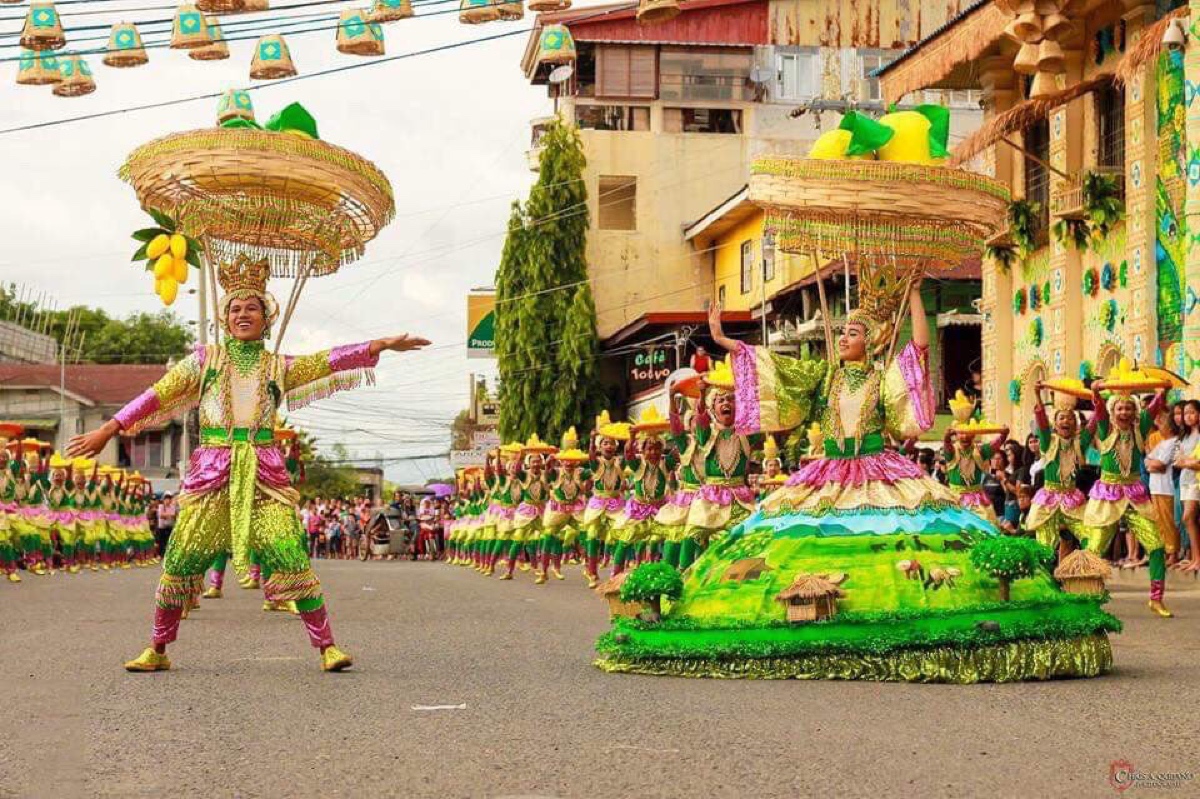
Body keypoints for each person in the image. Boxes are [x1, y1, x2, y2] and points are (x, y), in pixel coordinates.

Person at [69, 256, 429, 673]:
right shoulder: (205, 361)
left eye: (252, 308)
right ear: (225, 318)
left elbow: (328, 360)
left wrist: (378, 345)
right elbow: (156, 395)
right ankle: (158, 649)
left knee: (289, 552)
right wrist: (109, 428)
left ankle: (327, 646)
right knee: (183, 557)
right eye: (235, 309)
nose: (243, 314)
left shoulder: (279, 366)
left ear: (266, 317)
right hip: (212, 472)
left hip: (265, 474)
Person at [1081, 381, 1170, 616]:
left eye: (1129, 408)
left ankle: (1156, 599)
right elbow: (1098, 408)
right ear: (1112, 412)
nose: (1124, 412)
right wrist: (1096, 392)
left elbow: (1153, 407)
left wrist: (1163, 391)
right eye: (1120, 408)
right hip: (1108, 493)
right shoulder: (1104, 429)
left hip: (1134, 493)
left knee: (1157, 545)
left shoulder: (1140, 430)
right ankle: (1088, 600)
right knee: (1095, 548)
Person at [1145, 408, 1181, 568]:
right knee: (1159, 521)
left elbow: (1159, 465)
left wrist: (1153, 465)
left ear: (1170, 427)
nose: (1159, 426)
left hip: (1167, 488)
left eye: (1162, 423)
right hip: (1156, 488)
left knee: (1169, 521)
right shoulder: (1162, 443)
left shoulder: (1174, 443)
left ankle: (1173, 553)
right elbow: (1148, 462)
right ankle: (1166, 552)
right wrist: (1153, 465)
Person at [1172, 400, 1200, 573]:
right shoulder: (1185, 436)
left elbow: (1197, 462)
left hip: (1196, 481)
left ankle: (1197, 558)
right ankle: (1195, 559)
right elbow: (1177, 461)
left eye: (1192, 412)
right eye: (1185, 413)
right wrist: (1187, 462)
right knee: (1189, 520)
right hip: (1185, 481)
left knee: (1188, 518)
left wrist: (1187, 462)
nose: (1187, 416)